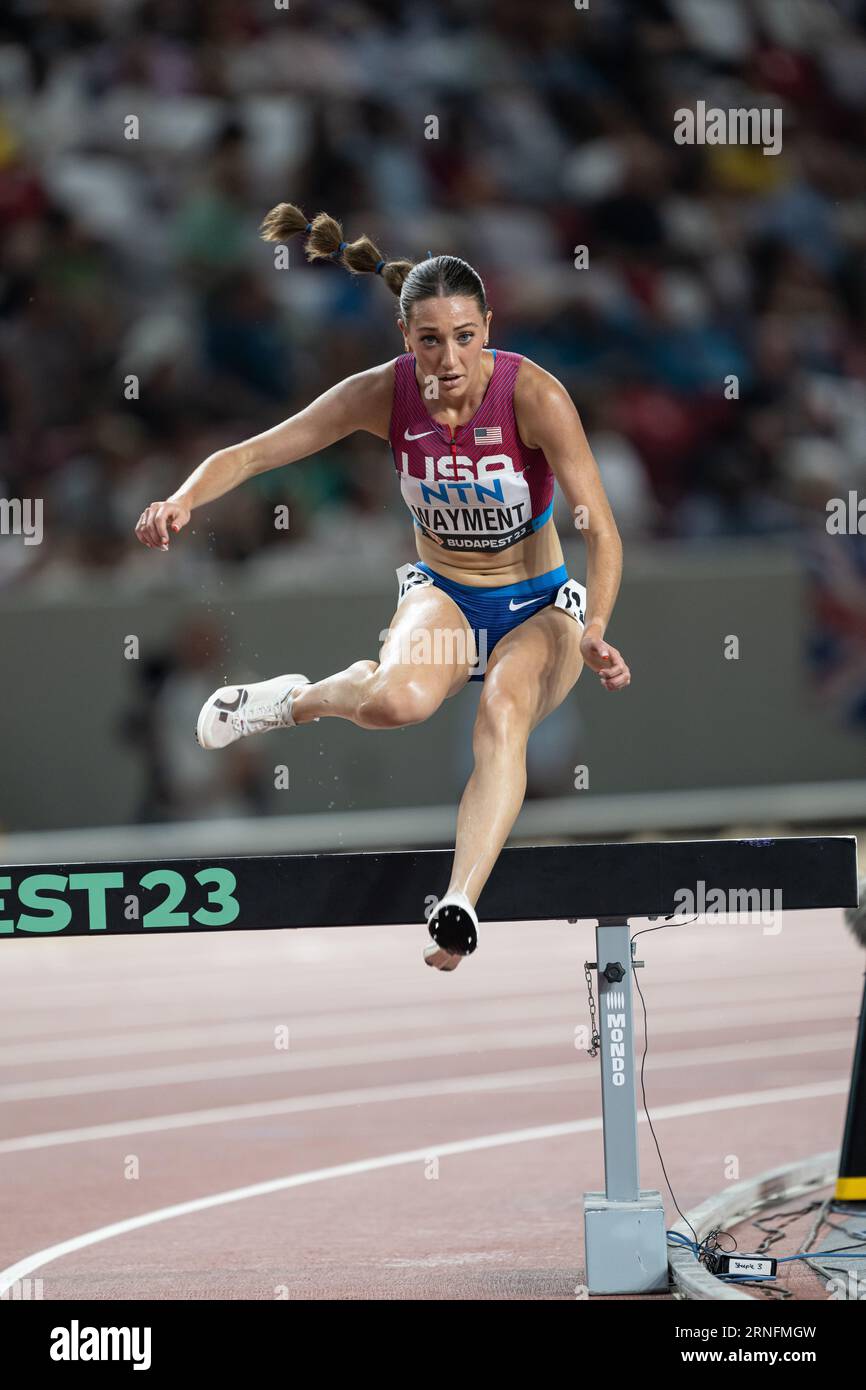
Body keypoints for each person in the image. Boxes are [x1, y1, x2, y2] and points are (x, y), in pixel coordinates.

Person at [135, 204, 631, 971]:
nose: (449, 361)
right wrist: (182, 498)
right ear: (407, 339)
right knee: (394, 704)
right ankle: (287, 701)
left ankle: (459, 903)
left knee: (502, 710)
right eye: (430, 341)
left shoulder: (533, 394)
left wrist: (596, 624)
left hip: (540, 603)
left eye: (465, 338)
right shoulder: (381, 394)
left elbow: (599, 523)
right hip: (448, 593)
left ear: (488, 328)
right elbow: (257, 453)